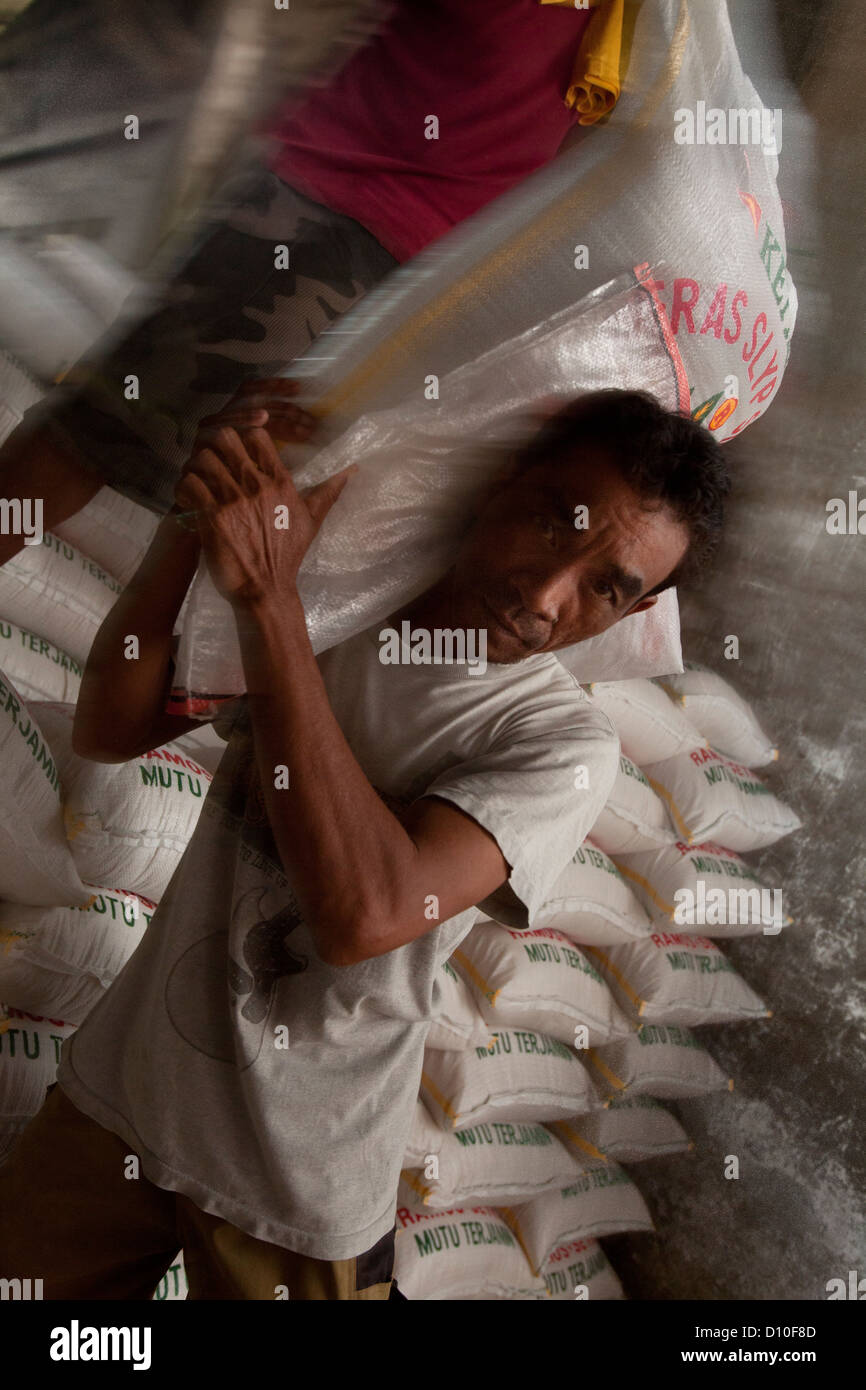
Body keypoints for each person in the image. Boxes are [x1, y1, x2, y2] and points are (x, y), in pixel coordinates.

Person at [0, 383, 731, 1299]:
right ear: (502, 481)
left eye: (605, 588)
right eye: (551, 525)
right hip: (121, 1101)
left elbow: (366, 914)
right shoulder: (346, 598)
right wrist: (200, 521)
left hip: (296, 1190)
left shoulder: (560, 745)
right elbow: (112, 726)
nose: (547, 596)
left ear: (627, 618)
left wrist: (271, 599)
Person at [0, 0, 607, 555]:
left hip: (410, 271)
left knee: (210, 486)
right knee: (101, 439)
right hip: (325, 223)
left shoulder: (647, 23)